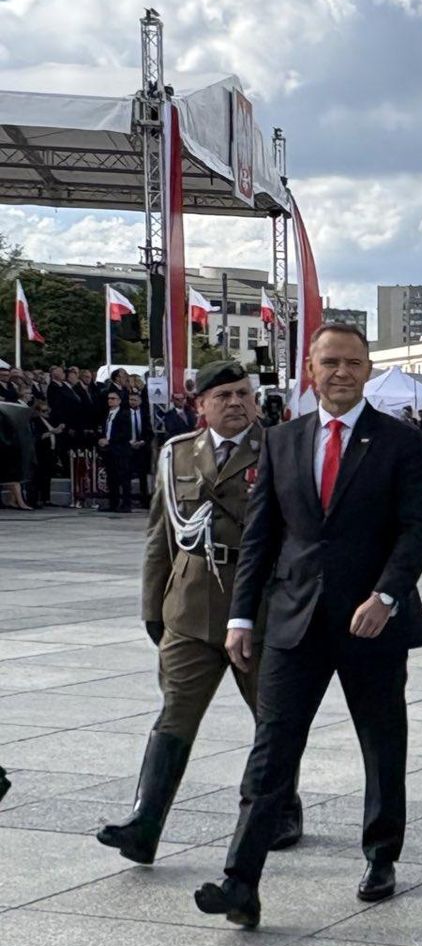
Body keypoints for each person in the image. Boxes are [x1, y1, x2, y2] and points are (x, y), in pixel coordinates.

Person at [195, 324, 422, 928]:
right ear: (310, 368)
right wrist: (242, 616)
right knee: (271, 750)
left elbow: (417, 530)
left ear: (368, 369)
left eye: (353, 363)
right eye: (329, 362)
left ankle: (381, 854)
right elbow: (260, 539)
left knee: (382, 746)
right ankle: (240, 881)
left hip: (371, 623)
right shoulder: (280, 441)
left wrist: (386, 595)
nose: (340, 373)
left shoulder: (401, 443)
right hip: (292, 622)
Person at [97, 362, 303, 864]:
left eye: (243, 394)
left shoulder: (280, 448)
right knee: (174, 715)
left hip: (258, 608)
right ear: (200, 405)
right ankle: (145, 823)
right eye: (223, 396)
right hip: (190, 609)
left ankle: (282, 809)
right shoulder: (177, 454)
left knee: (271, 719)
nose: (236, 403)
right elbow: (160, 536)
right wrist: (153, 608)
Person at [97, 390, 136, 512]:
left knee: (124, 478)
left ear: (119, 401)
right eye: (109, 398)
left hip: (121, 450)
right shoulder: (107, 414)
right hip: (109, 451)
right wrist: (102, 439)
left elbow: (126, 434)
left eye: (113, 398)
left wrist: (110, 440)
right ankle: (113, 503)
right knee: (111, 477)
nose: (110, 400)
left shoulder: (124, 414)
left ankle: (126, 504)